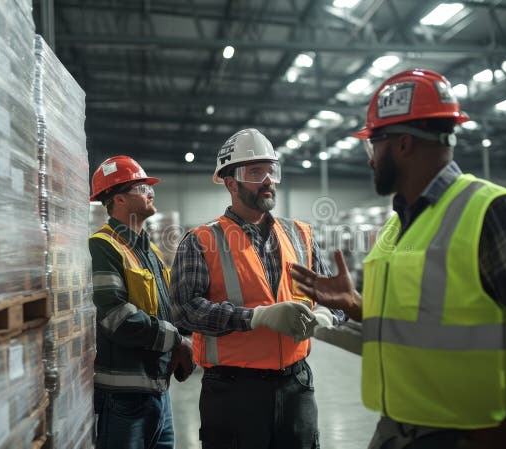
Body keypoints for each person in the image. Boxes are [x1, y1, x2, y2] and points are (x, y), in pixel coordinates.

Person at [290, 69, 506, 449]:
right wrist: (359, 307)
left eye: (374, 144)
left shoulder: (492, 213)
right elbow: (420, 325)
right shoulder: (398, 227)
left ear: (404, 144)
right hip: (401, 431)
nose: (371, 159)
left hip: (473, 436)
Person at [169, 128, 343, 449]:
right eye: (255, 172)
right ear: (230, 182)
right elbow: (184, 310)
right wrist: (256, 318)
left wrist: (325, 316)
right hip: (234, 392)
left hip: (296, 384)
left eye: (271, 170)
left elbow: (335, 297)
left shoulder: (300, 235)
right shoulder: (201, 241)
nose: (268, 180)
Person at [89, 155, 195, 449]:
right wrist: (176, 341)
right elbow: (116, 318)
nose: (151, 192)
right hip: (124, 399)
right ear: (119, 199)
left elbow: (166, 310)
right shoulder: (102, 246)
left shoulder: (150, 252)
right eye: (141, 187)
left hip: (158, 393)